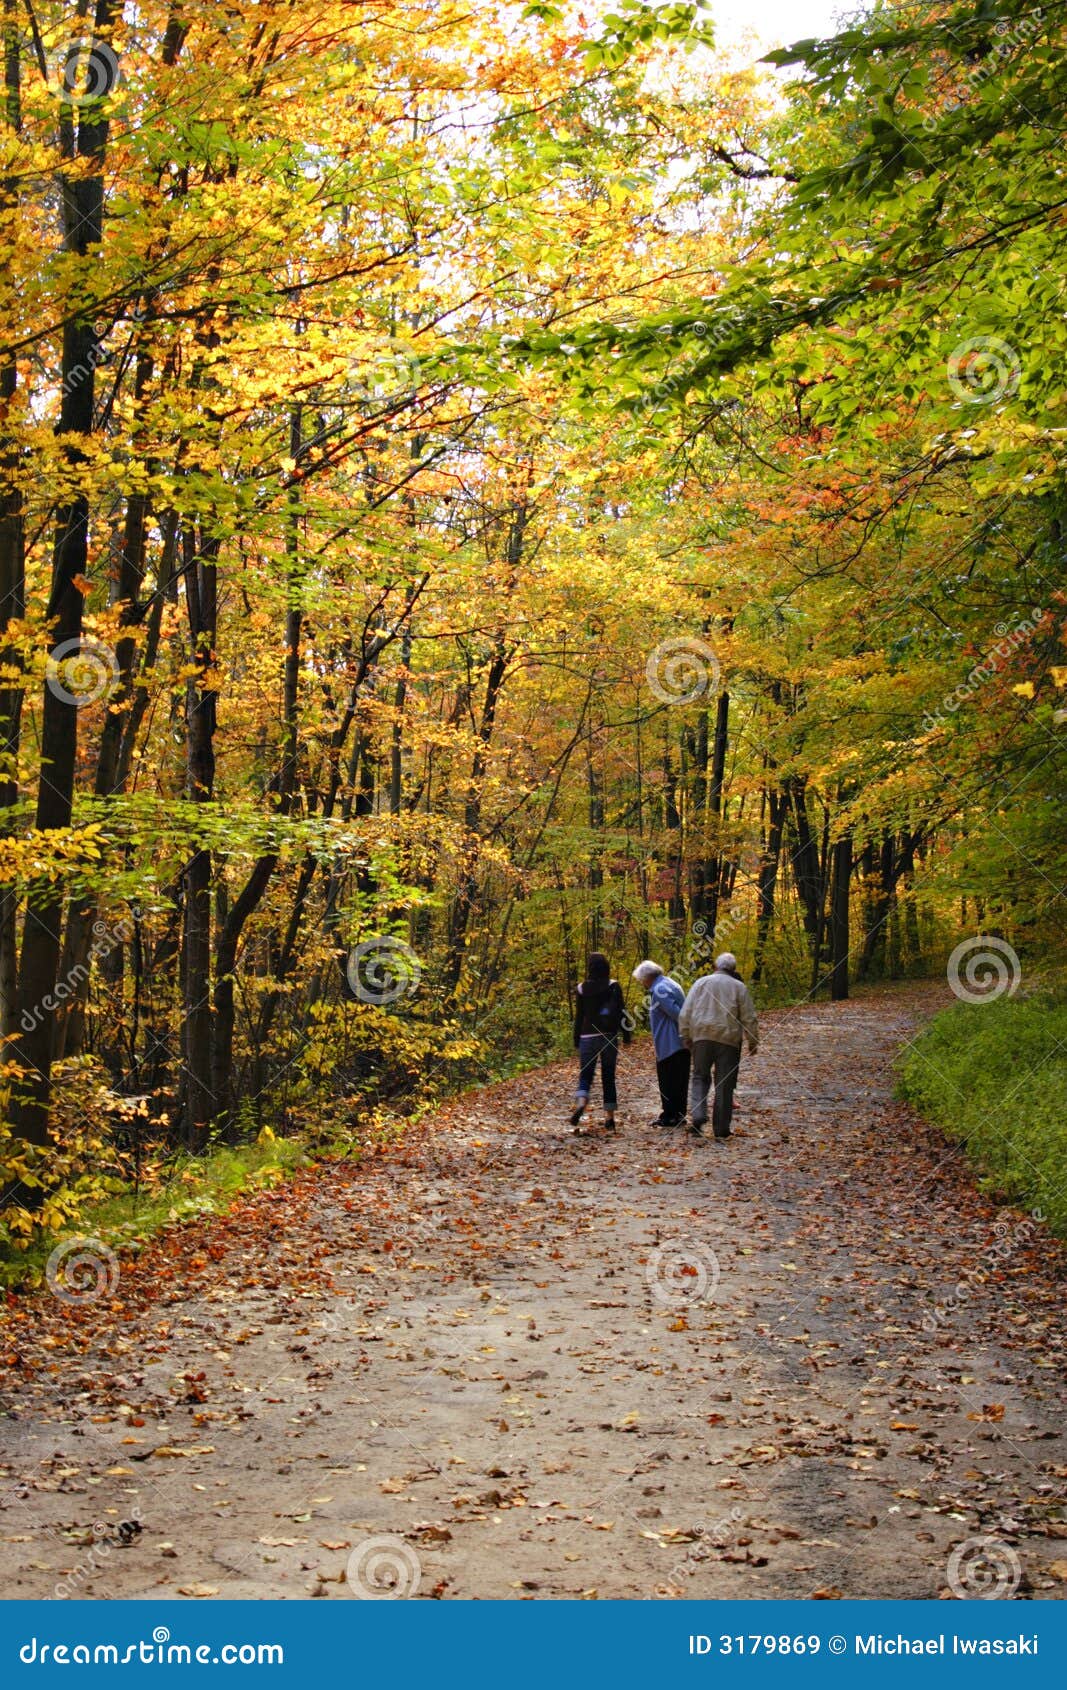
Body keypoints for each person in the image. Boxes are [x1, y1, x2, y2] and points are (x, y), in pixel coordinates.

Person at [678, 952, 758, 1141]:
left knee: (699, 1076)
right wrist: (753, 1041)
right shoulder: (739, 987)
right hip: (728, 1040)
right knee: (725, 1084)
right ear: (733, 969)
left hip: (702, 1036)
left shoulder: (700, 983)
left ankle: (698, 1116)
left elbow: (685, 1011)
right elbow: (749, 1017)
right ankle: (721, 1129)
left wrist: (686, 1035)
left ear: (716, 966)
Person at [570, 952, 631, 1134]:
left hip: (587, 1036)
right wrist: (626, 1034)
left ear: (589, 968)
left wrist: (576, 1039)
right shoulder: (613, 986)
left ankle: (581, 1102)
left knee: (585, 1075)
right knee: (608, 1076)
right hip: (609, 1035)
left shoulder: (581, 989)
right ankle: (610, 1118)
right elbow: (621, 1012)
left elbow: (579, 1016)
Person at [632, 960, 689, 1127]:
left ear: (647, 977)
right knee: (678, 1080)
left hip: (670, 1043)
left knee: (669, 1080)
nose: (642, 983)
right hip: (676, 1042)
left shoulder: (660, 990)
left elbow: (678, 1015)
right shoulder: (669, 983)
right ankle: (676, 1115)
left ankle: (671, 1116)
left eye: (642, 980)